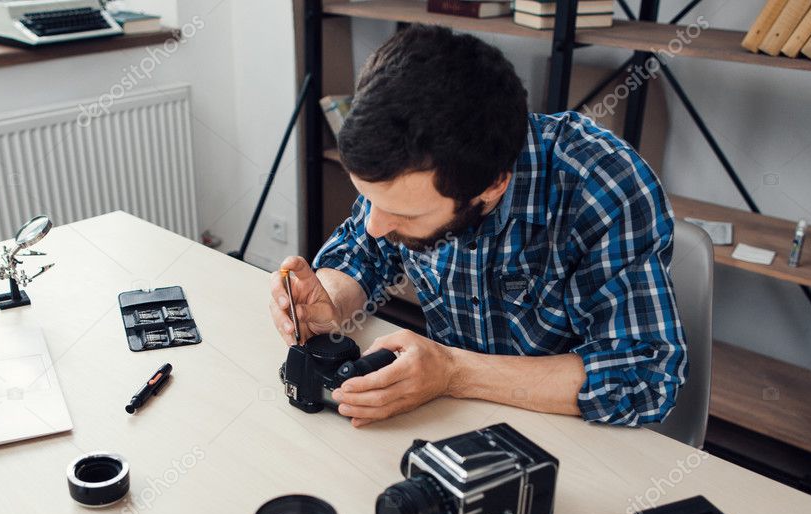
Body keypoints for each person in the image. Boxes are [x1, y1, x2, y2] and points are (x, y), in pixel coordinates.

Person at [269, 24, 686, 429]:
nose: (375, 225)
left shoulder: (602, 185)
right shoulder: (406, 168)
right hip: (449, 417)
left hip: (569, 433)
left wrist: (453, 372)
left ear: (491, 187)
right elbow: (364, 252)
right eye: (370, 199)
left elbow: (644, 375)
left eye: (406, 215)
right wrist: (332, 303)